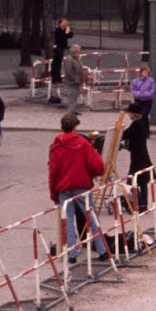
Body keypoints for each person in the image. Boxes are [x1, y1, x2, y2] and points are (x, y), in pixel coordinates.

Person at [47, 112, 108, 263]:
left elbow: (53, 172)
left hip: (63, 187)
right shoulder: (83, 143)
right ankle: (102, 250)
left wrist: (53, 193)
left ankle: (72, 253)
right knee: (92, 218)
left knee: (67, 220)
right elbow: (98, 165)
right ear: (75, 127)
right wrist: (92, 175)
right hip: (81, 185)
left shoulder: (56, 146)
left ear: (62, 128)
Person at [119, 102, 153, 212]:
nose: (128, 114)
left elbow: (127, 134)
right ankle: (143, 205)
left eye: (129, 112)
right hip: (142, 156)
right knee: (142, 182)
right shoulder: (141, 122)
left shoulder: (137, 123)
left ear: (134, 113)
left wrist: (117, 135)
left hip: (138, 158)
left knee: (132, 181)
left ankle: (134, 203)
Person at [50, 19, 72, 100]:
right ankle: (55, 78)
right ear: (60, 23)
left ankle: (58, 77)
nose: (65, 24)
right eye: (64, 23)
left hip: (62, 48)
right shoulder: (58, 30)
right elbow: (63, 37)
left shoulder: (63, 30)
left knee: (59, 63)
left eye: (66, 23)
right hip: (58, 48)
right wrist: (66, 32)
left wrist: (68, 31)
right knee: (56, 63)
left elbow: (70, 35)